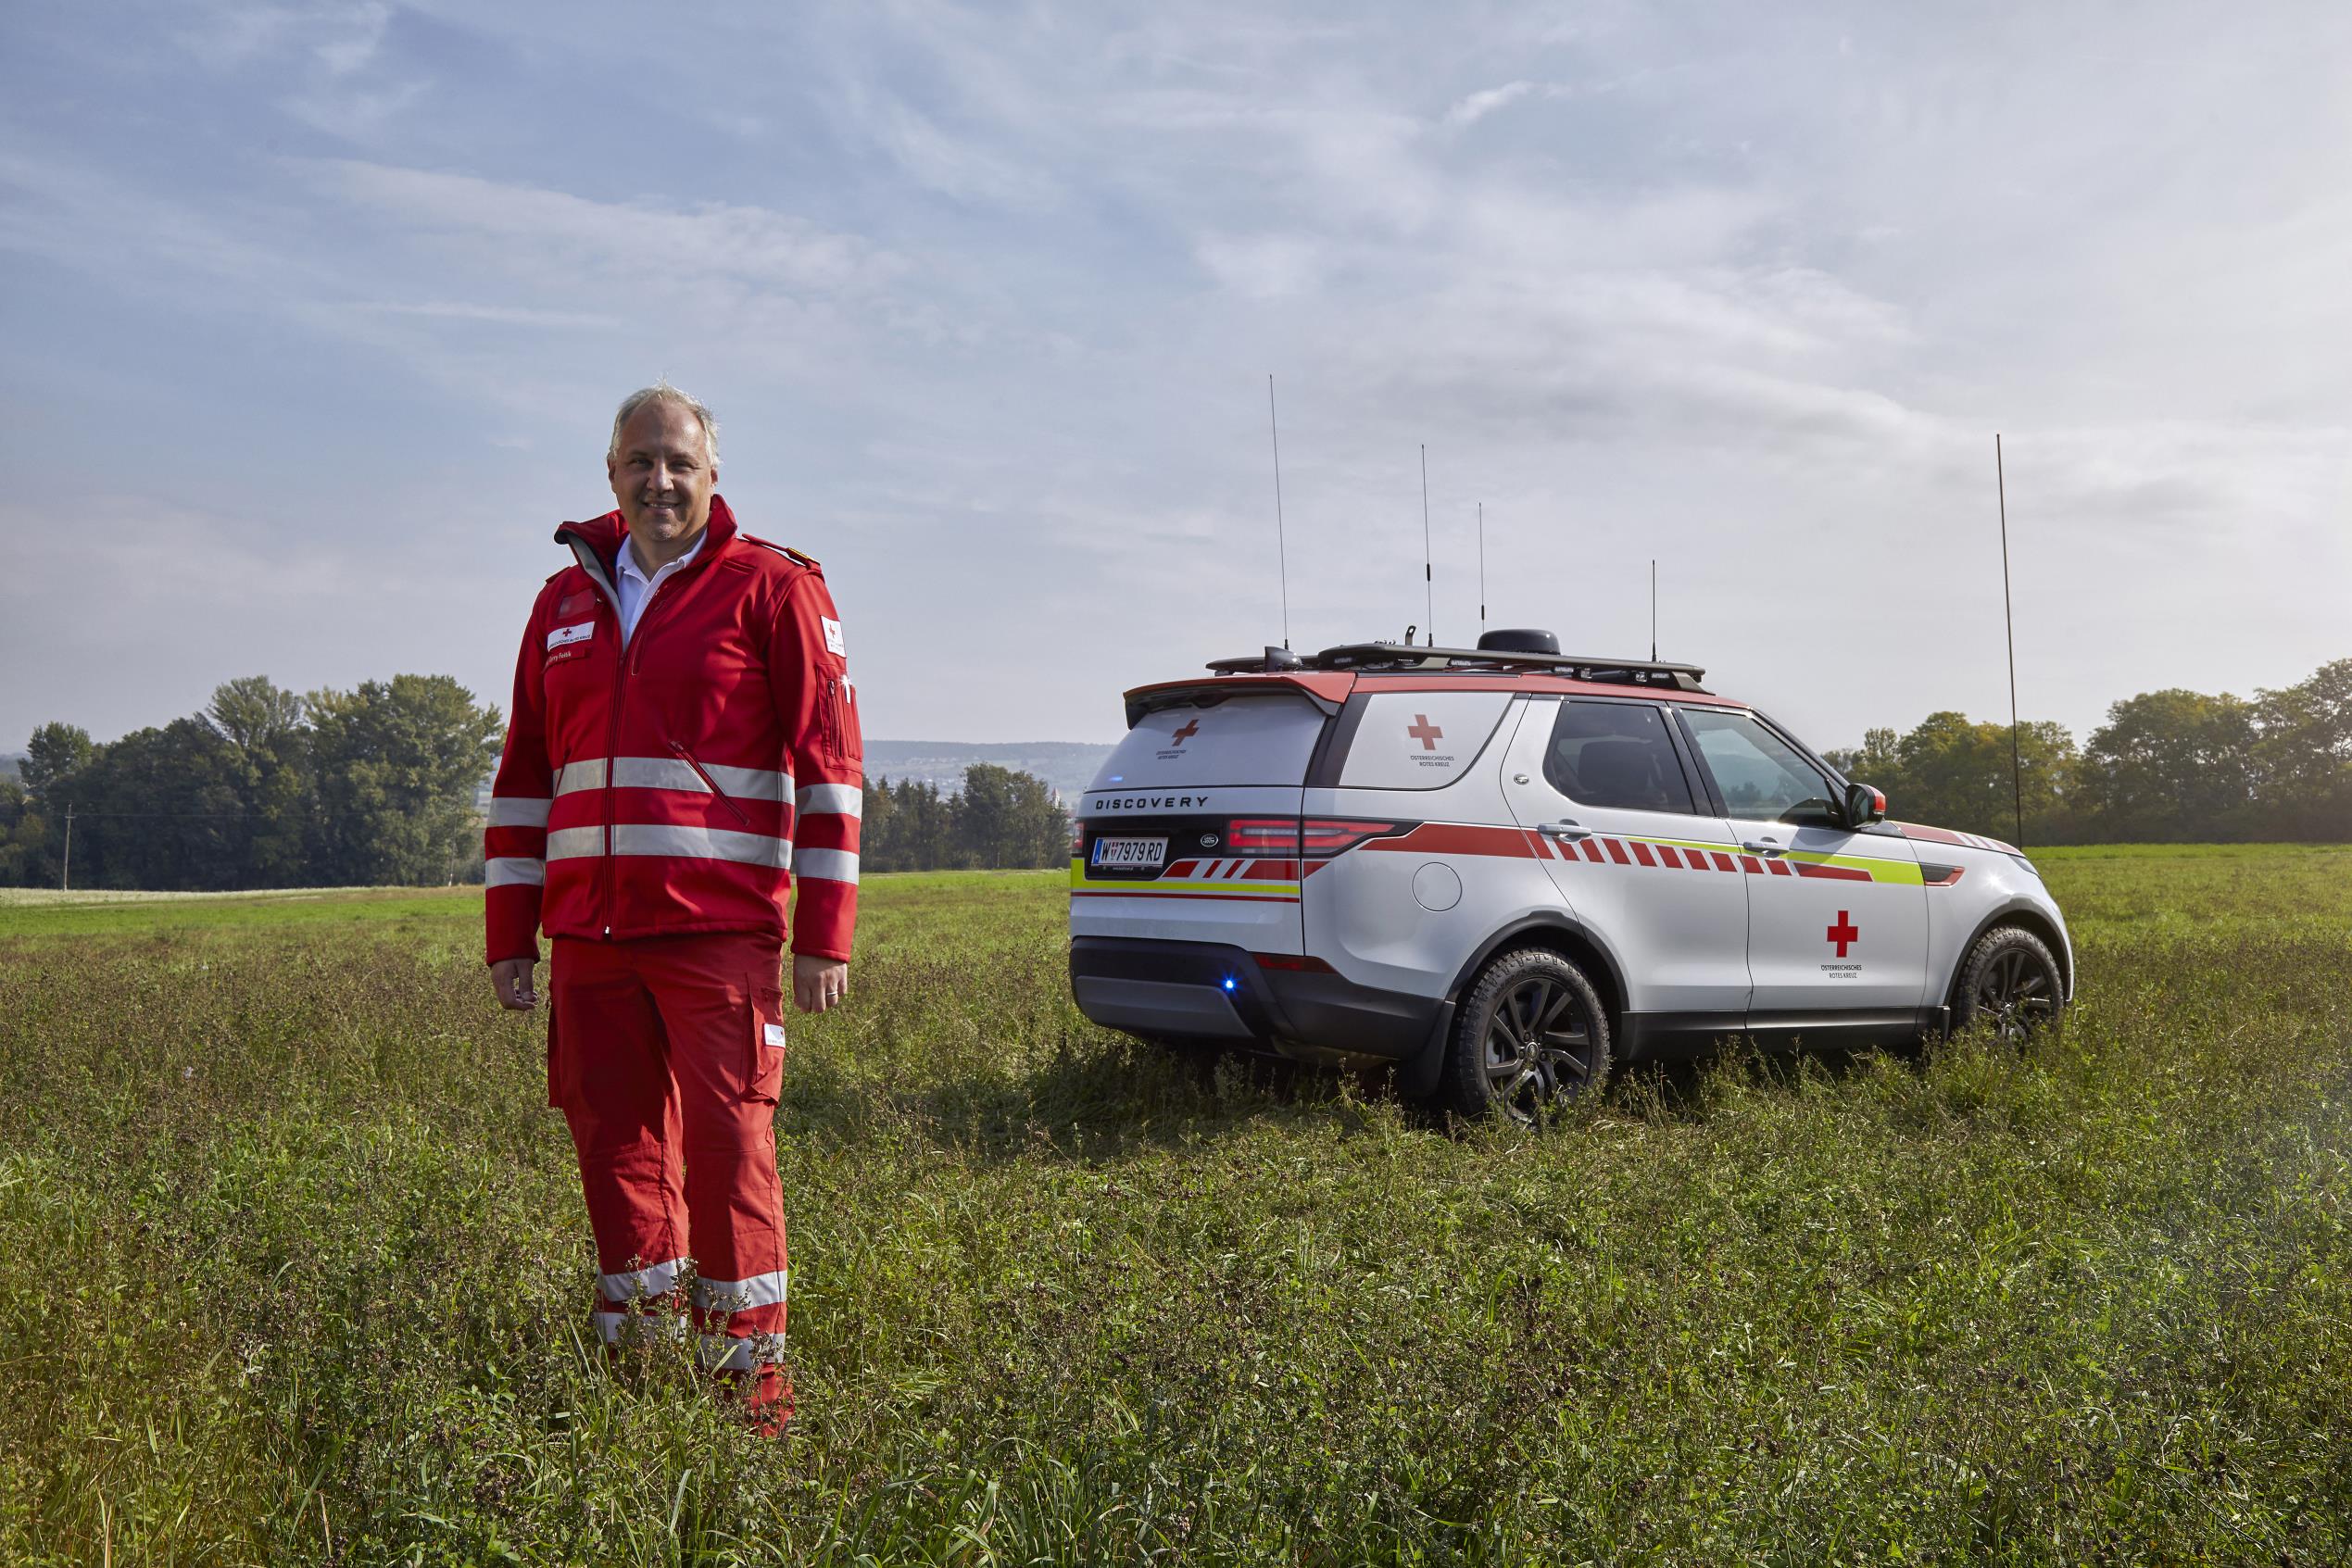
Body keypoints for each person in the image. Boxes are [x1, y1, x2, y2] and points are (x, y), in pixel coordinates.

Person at [483, 383, 861, 1435]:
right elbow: (522, 775)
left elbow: (832, 772)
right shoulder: (560, 605)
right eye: (640, 462)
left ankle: (752, 1394)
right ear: (610, 474)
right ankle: (638, 1365)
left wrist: (823, 935)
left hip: (718, 934)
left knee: (730, 1149)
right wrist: (509, 934)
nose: (660, 480)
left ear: (712, 476)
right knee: (613, 1144)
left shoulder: (773, 589)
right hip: (589, 940)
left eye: (679, 464)